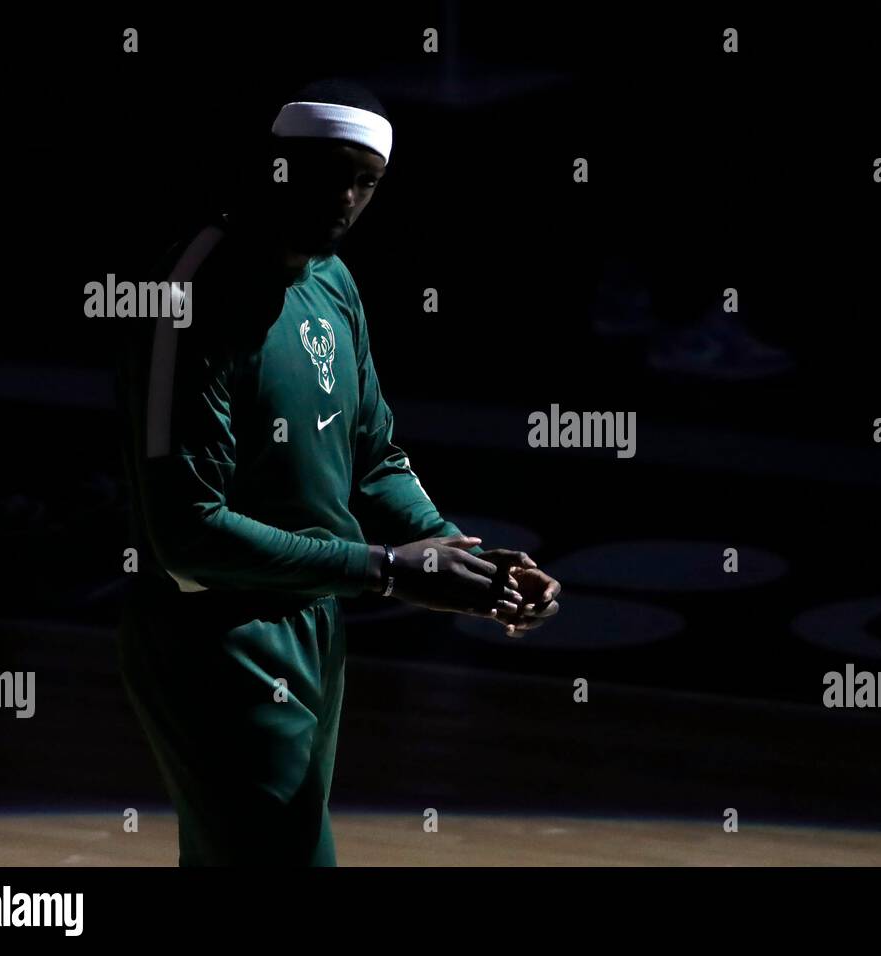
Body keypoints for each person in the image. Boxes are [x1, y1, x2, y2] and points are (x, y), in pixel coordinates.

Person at [114, 77, 560, 866]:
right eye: (330, 172)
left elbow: (374, 457)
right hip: (214, 636)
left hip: (316, 622)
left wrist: (460, 555)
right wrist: (387, 570)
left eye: (367, 181)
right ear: (275, 163)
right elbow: (186, 533)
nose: (348, 197)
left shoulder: (333, 283)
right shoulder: (190, 294)